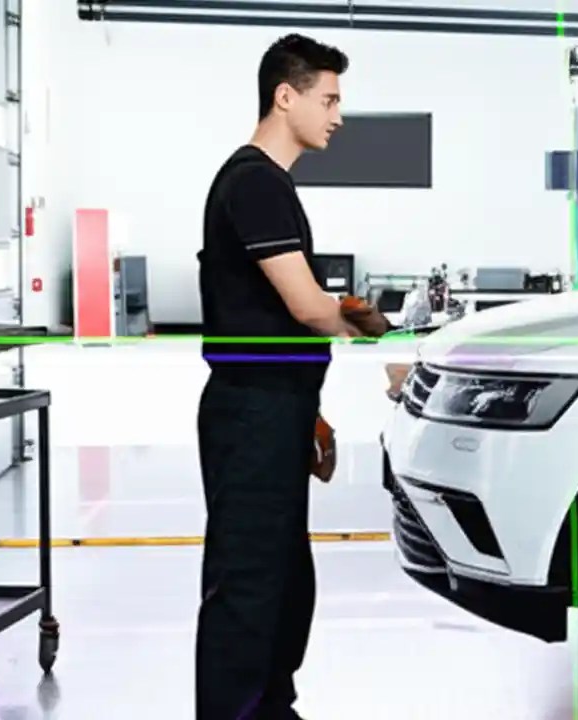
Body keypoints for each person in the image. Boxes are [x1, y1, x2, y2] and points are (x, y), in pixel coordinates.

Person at [193, 33, 355, 720]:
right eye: (329, 99)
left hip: (278, 406)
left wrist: (307, 412)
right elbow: (308, 307)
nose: (338, 115)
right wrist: (384, 330)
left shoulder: (270, 183)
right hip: (251, 414)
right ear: (285, 96)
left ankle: (271, 707)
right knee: (249, 583)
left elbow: (272, 324)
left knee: (286, 580)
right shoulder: (254, 181)